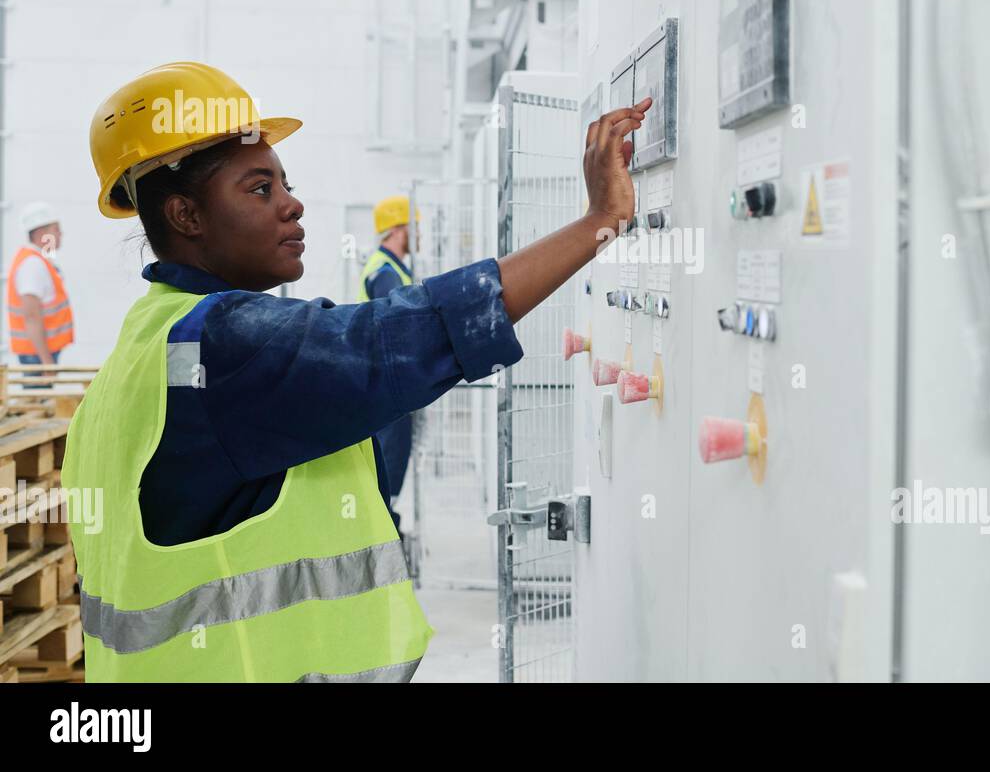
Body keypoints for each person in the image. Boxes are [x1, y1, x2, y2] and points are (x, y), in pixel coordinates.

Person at [63, 61, 647, 682]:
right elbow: (402, 336)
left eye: (284, 183)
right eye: (261, 189)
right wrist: (599, 220)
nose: (293, 204)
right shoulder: (221, 342)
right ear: (186, 217)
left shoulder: (139, 349)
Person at [358, 194, 418, 530]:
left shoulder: (390, 267)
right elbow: (397, 323)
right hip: (388, 387)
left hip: (389, 385)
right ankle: (383, 529)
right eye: (414, 226)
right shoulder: (384, 272)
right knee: (390, 466)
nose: (418, 233)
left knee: (391, 463)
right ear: (397, 229)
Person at [6, 201, 75, 381]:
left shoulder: (39, 261)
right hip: (36, 356)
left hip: (38, 353)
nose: (60, 234)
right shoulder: (32, 265)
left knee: (41, 403)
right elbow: (31, 316)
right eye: (55, 229)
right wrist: (46, 361)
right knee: (37, 404)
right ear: (40, 233)